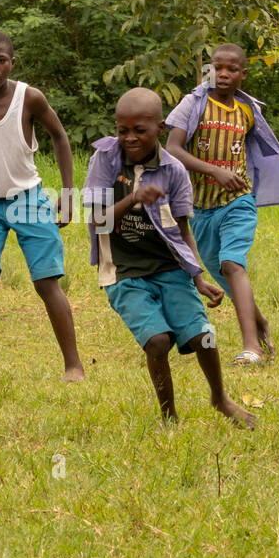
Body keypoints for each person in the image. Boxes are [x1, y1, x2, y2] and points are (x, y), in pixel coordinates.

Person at [85, 88, 253, 427]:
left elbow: (182, 230)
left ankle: (219, 398)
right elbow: (97, 221)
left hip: (168, 267)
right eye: (122, 130)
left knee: (203, 335)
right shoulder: (104, 160)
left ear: (160, 128)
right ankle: (168, 416)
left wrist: (199, 277)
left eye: (139, 130)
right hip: (123, 270)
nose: (130, 138)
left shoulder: (174, 170)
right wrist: (133, 197)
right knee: (158, 340)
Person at [165, 43, 279, 365]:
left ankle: (252, 348)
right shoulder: (192, 105)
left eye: (231, 69)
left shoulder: (248, 111)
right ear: (209, 70)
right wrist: (214, 171)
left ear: (243, 75)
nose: (223, 74)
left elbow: (265, 157)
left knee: (232, 263)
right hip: (201, 210)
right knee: (223, 272)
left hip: (239, 201)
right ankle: (260, 322)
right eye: (217, 68)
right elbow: (173, 149)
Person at [0, 30, 85, 380]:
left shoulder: (30, 98)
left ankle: (73, 364)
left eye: (0, 60)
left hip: (28, 199)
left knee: (46, 281)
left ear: (12, 62)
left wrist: (68, 196)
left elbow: (59, 136)